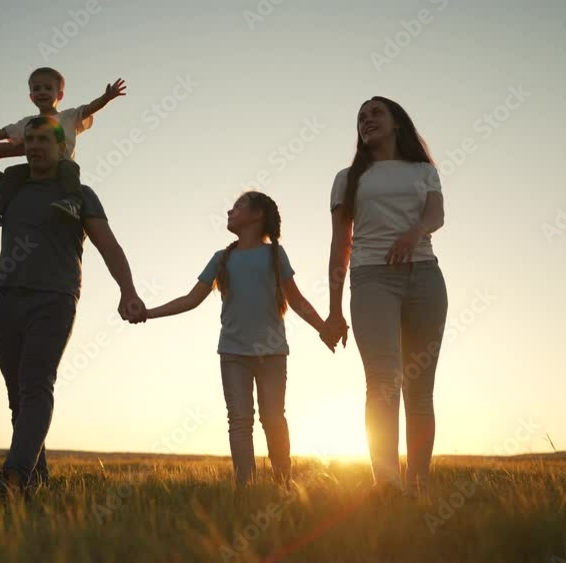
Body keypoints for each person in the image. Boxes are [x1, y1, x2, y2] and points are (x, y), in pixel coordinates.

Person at [0, 115, 146, 501]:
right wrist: (16, 146)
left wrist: (128, 290)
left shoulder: (79, 195)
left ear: (60, 147)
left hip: (54, 298)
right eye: (30, 140)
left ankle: (14, 477)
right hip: (7, 297)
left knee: (36, 383)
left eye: (43, 141)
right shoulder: (11, 188)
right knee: (17, 394)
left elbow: (109, 245)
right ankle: (37, 478)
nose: (35, 146)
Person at [146, 191, 334, 486]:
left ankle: (283, 482)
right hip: (233, 354)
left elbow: (296, 300)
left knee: (273, 419)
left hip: (272, 353)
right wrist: (147, 312)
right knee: (240, 421)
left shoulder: (275, 254)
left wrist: (323, 327)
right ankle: (245, 487)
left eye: (237, 207)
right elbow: (190, 300)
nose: (229, 212)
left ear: (257, 215)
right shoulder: (222, 258)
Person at [324, 96, 448, 496]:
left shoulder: (423, 171)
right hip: (371, 278)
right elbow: (340, 243)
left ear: (397, 122)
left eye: (376, 112)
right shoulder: (348, 177)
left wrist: (414, 234)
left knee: (420, 388)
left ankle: (418, 484)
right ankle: (389, 484)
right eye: (360, 116)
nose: (366, 119)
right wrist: (333, 309)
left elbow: (437, 215)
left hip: (426, 277)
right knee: (381, 380)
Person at [0, 67, 126, 229]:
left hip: (61, 166)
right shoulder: (28, 123)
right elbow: (2, 132)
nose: (42, 92)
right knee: (12, 173)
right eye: (37, 89)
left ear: (59, 95)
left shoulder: (68, 116)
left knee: (69, 168)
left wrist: (106, 98)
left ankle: (72, 202)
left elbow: (89, 108)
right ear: (31, 96)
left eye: (47, 88)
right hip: (36, 170)